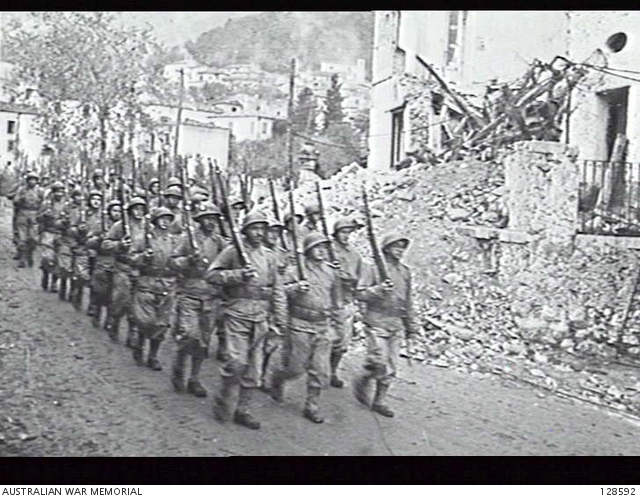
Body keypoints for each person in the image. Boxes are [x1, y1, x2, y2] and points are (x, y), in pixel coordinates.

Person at [204, 211, 287, 430]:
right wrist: (239, 274)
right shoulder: (232, 252)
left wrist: (280, 319)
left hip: (260, 316)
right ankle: (224, 397)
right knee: (236, 363)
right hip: (236, 314)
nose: (259, 233)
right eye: (254, 228)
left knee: (254, 369)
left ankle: (243, 410)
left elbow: (278, 290)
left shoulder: (270, 256)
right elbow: (211, 275)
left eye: (262, 228)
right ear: (246, 230)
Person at [269, 232, 342, 424]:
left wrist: (337, 322)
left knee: (320, 369)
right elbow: (278, 292)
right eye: (317, 247)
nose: (322, 251)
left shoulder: (331, 272)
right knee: (296, 367)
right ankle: (278, 378)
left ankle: (312, 405)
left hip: (322, 325)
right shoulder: (295, 270)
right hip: (299, 324)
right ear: (308, 250)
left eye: (325, 247)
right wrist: (295, 288)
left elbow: (336, 300)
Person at [352, 232, 421, 418]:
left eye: (402, 248)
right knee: (379, 361)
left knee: (391, 366)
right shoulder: (373, 269)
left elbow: (407, 301)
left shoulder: (404, 272)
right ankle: (364, 378)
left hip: (396, 323)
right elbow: (359, 294)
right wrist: (377, 290)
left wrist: (411, 327)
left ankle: (379, 401)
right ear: (387, 248)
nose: (399, 251)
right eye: (396, 247)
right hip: (377, 322)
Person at [169, 202, 227, 397]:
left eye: (214, 219)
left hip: (211, 297)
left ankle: (194, 378)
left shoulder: (220, 243)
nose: (210, 222)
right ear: (200, 220)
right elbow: (172, 262)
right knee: (189, 336)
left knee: (203, 342)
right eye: (207, 218)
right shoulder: (188, 239)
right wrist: (187, 261)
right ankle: (179, 367)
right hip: (189, 294)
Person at [128, 206, 179, 371]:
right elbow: (131, 257)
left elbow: (179, 260)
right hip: (147, 283)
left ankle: (153, 356)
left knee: (161, 324)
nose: (165, 222)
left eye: (168, 219)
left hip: (167, 284)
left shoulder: (174, 240)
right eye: (162, 218)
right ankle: (140, 346)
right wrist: (143, 257)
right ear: (155, 220)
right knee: (146, 321)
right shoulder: (144, 238)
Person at [101, 197, 148, 346]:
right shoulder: (120, 226)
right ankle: (114, 324)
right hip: (123, 267)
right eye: (136, 209)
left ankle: (132, 333)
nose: (139, 212)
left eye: (141, 209)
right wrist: (119, 244)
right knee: (121, 300)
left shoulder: (147, 227)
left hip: (140, 269)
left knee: (137, 304)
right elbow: (106, 244)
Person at [328, 216, 364, 388]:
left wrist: (353, 281)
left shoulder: (354, 254)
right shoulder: (328, 250)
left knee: (342, 343)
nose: (346, 235)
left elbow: (359, 277)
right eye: (343, 232)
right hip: (328, 300)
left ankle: (332, 371)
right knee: (324, 339)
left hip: (346, 299)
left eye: (348, 232)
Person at [86, 199, 122, 330]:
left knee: (114, 295)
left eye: (119, 211)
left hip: (118, 263)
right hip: (102, 261)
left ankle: (109, 319)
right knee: (100, 291)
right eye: (114, 210)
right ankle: (96, 313)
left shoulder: (124, 226)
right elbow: (88, 242)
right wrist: (99, 239)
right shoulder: (100, 223)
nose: (117, 213)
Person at [36, 181, 66, 292]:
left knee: (58, 260)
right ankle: (45, 274)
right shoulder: (46, 204)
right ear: (53, 192)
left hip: (61, 234)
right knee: (48, 258)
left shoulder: (66, 204)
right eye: (57, 191)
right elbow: (37, 218)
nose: (60, 194)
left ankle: (54, 282)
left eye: (62, 191)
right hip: (48, 233)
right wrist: (44, 215)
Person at [14, 171, 44, 268]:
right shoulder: (21, 190)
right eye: (30, 179)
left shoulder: (40, 191)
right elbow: (15, 201)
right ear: (27, 181)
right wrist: (20, 199)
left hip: (35, 214)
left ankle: (30, 254)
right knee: (22, 238)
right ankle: (23, 259)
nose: (32, 182)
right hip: (23, 213)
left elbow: (44, 204)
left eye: (34, 180)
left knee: (33, 238)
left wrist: (41, 215)